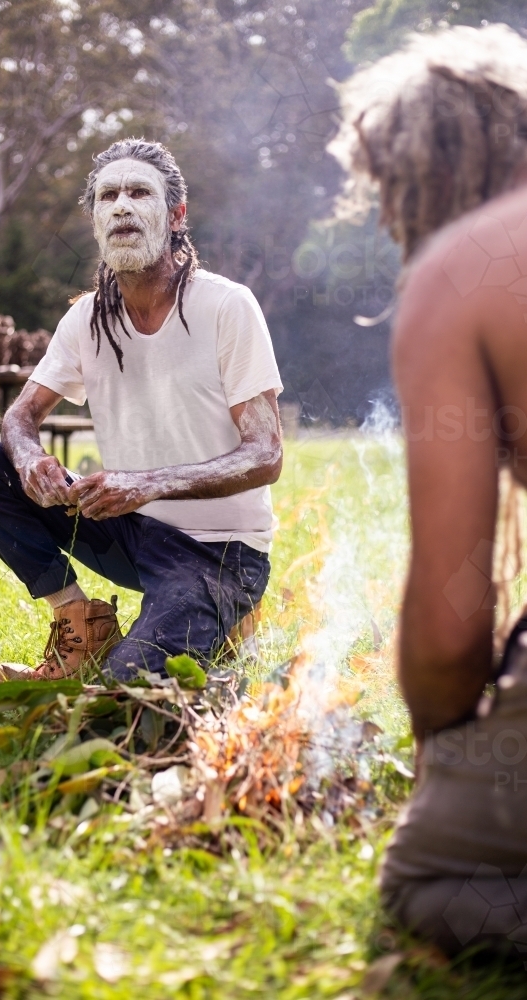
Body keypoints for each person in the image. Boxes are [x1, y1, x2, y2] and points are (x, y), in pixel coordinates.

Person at [330, 24, 527, 954]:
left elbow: (453, 626)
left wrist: (443, 755)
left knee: (429, 883)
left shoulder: (463, 271)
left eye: (390, 193)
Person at [0, 139, 283, 683]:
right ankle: (80, 620)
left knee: (127, 688)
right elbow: (20, 417)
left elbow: (265, 456)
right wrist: (33, 460)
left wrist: (149, 483)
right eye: (108, 195)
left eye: (139, 192)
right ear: (96, 219)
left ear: (176, 216)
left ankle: (227, 618)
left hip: (217, 554)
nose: (122, 206)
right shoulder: (87, 318)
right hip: (128, 532)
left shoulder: (226, 306)